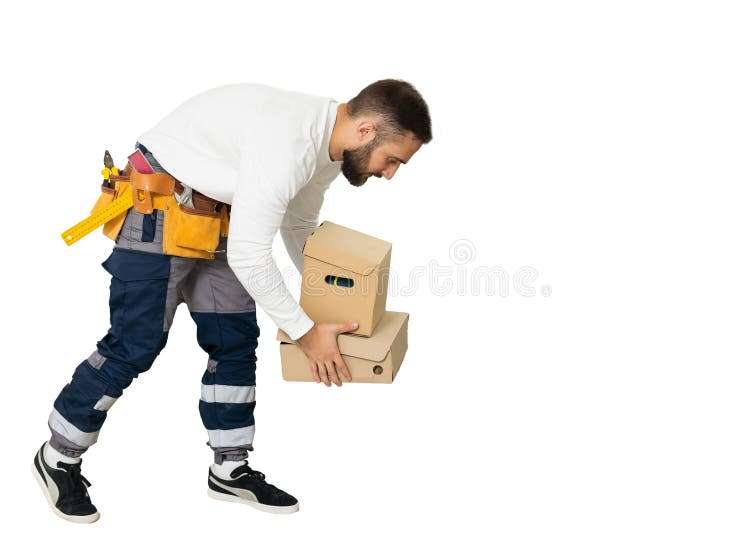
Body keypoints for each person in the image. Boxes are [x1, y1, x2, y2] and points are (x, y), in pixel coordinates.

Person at [31, 80, 432, 523]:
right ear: (366, 130)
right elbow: (250, 254)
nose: (391, 173)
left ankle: (230, 470)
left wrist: (332, 305)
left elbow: (298, 227)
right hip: (158, 210)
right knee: (134, 344)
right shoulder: (290, 143)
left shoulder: (324, 151)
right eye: (392, 159)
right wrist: (304, 333)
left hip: (219, 216)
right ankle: (58, 458)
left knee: (234, 342)